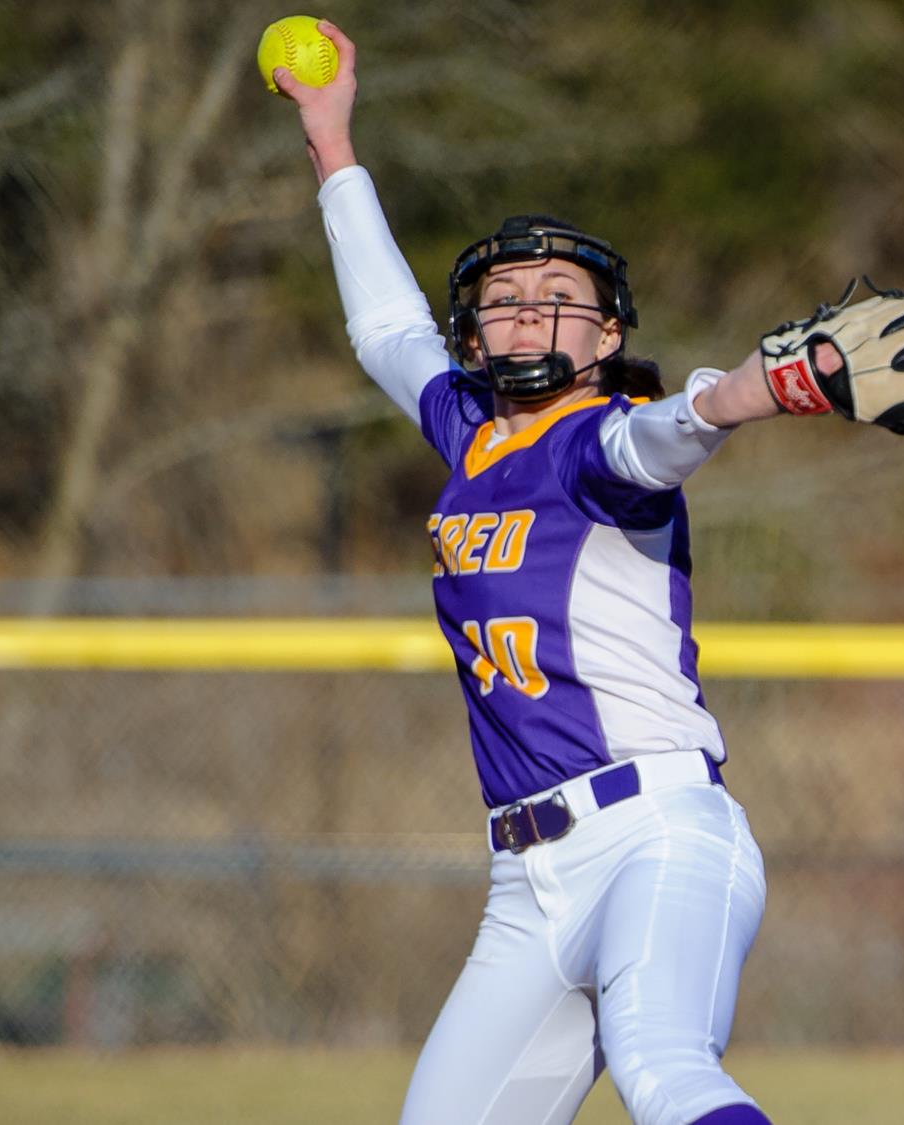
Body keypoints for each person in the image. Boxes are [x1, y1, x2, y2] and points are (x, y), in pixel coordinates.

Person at [275, 22, 830, 1125]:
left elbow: (661, 441)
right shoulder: (470, 436)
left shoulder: (597, 439)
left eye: (557, 295)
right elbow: (384, 325)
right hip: (524, 883)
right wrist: (331, 141)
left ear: (607, 332)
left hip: (657, 836)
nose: (526, 306)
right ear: (472, 337)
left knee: (665, 1074)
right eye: (503, 296)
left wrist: (738, 396)